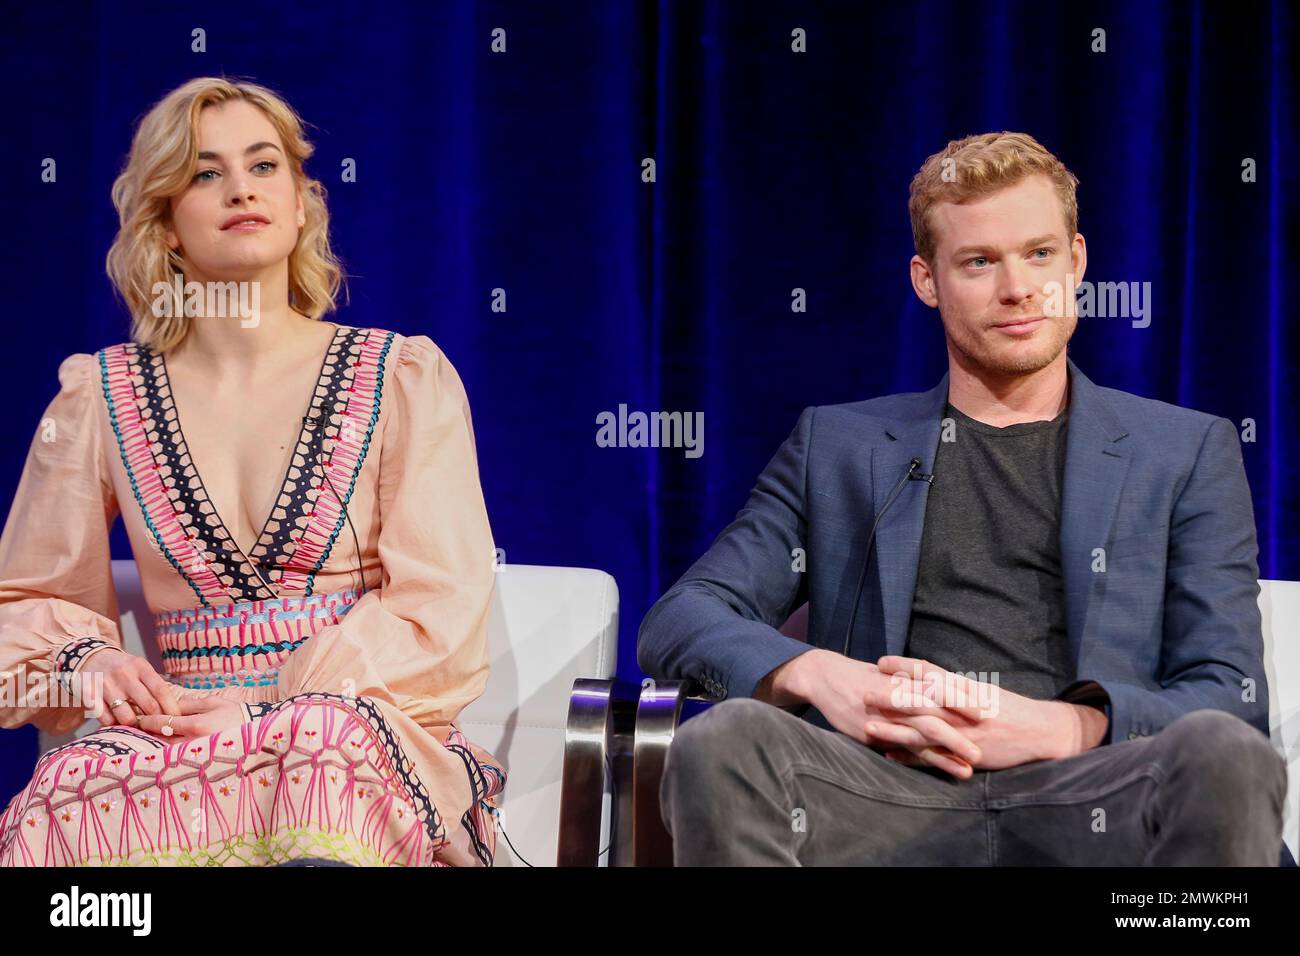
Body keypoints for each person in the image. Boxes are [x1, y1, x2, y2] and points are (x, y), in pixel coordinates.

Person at [638, 131, 1288, 866]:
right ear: (927, 280)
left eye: (1040, 255)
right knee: (724, 742)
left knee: (1224, 753)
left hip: (1093, 800)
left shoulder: (1184, 450)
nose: (1018, 289)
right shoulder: (841, 445)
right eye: (979, 262)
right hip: (884, 797)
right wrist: (826, 677)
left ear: (1076, 262)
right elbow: (680, 619)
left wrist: (1059, 728)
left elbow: (1232, 695)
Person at [0, 77, 505, 866]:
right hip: (183, 742)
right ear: (166, 224)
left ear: (301, 203)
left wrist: (267, 715)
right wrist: (91, 663)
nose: (241, 188)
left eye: (264, 166)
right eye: (205, 173)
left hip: (355, 732)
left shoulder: (400, 376)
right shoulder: (99, 395)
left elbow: (439, 608)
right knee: (63, 791)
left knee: (314, 744)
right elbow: (25, 597)